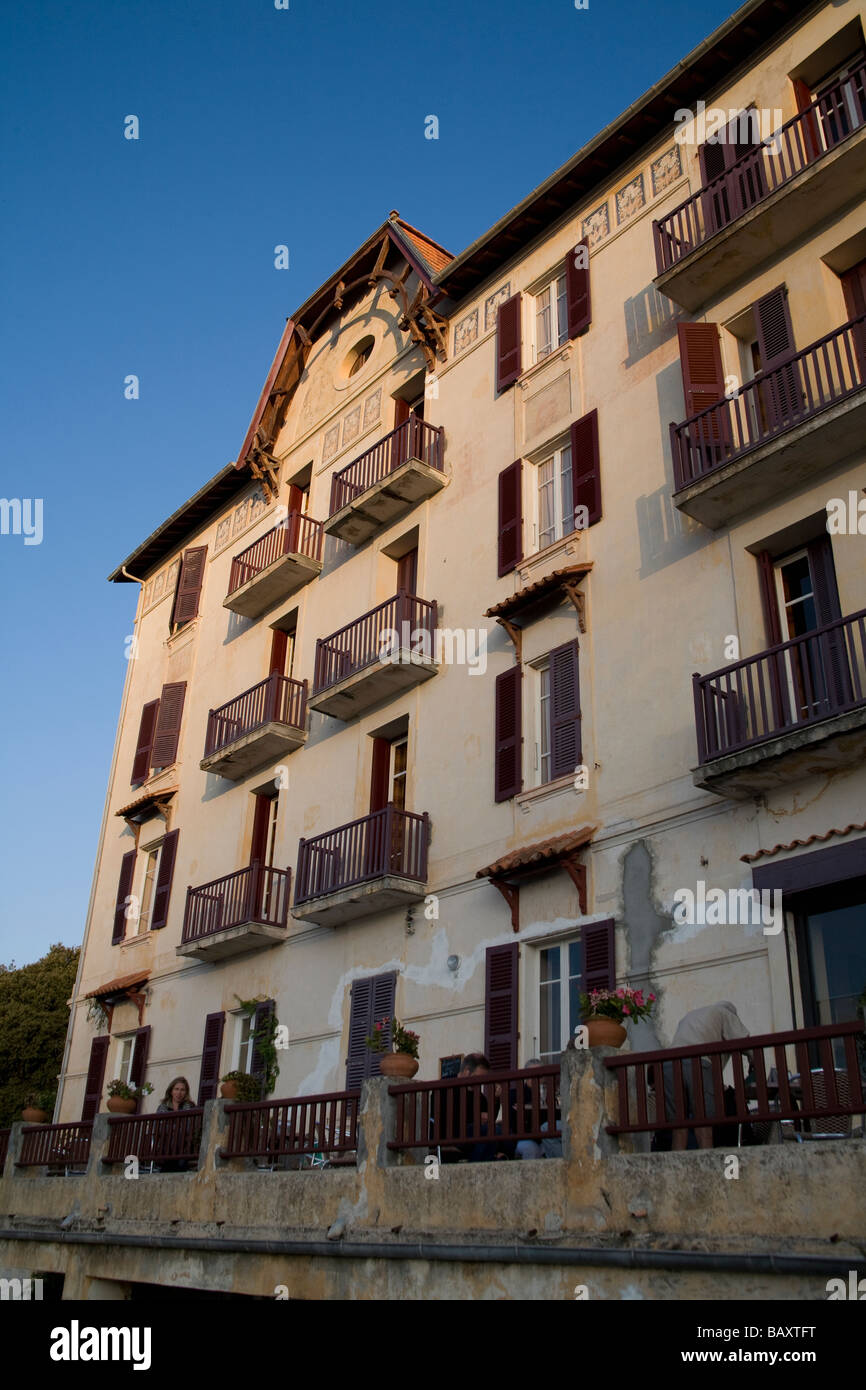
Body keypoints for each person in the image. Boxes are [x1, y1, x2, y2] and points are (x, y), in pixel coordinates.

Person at [662, 1002, 750, 1151]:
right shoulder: (725, 1013)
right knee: (703, 1123)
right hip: (697, 1063)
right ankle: (707, 1157)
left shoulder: (691, 1016)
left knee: (678, 1125)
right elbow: (745, 1041)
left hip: (669, 1064)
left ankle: (677, 1161)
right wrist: (753, 1062)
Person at [155, 1076, 197, 1171]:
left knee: (179, 1135)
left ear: (186, 1092)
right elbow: (160, 1128)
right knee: (172, 1136)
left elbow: (188, 1127)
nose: (179, 1093)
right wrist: (176, 1128)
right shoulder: (163, 1107)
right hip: (166, 1143)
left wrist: (173, 1127)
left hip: (184, 1144)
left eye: (182, 1090)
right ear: (171, 1091)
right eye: (176, 1089)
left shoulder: (189, 1106)